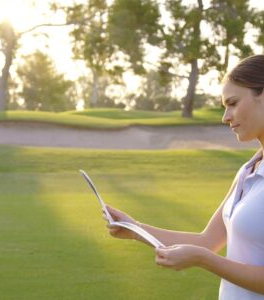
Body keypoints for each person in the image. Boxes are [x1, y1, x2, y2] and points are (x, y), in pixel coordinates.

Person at [103, 54, 264, 300]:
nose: (226, 117)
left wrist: (204, 260)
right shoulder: (247, 171)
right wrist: (135, 229)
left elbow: (205, 253)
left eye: (232, 103)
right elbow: (207, 241)